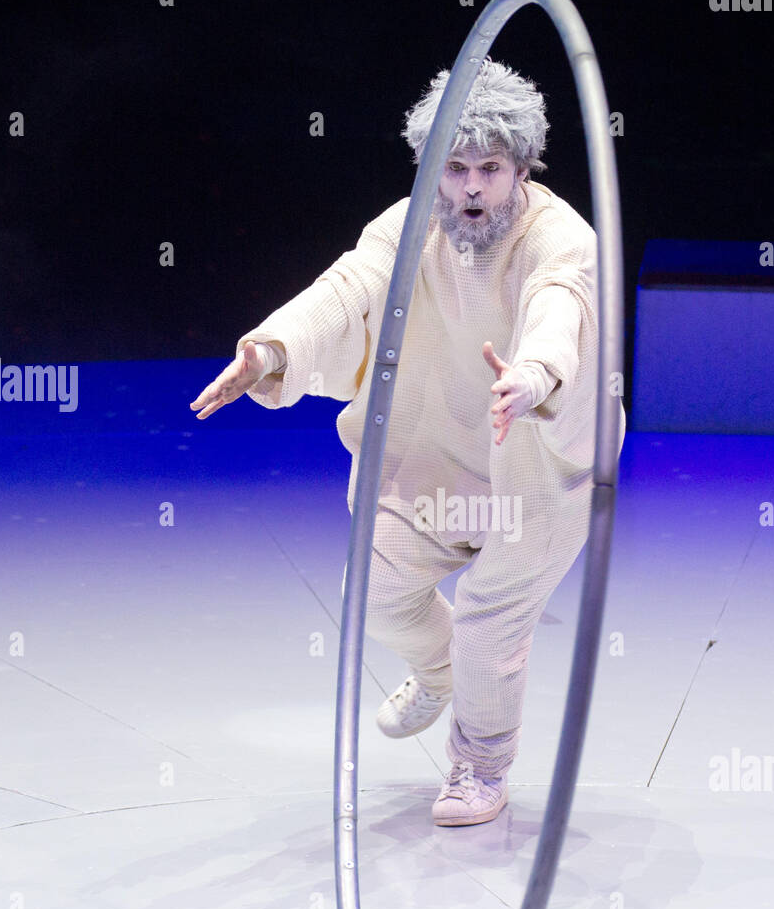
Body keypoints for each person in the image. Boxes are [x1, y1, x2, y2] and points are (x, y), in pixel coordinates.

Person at [189, 57, 625, 827]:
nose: (471, 188)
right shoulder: (412, 220)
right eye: (454, 168)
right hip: (434, 453)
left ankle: (479, 768)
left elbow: (564, 306)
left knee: (491, 622)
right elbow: (349, 288)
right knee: (378, 595)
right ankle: (436, 668)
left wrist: (533, 376)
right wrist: (271, 351)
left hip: (534, 463)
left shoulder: (562, 238)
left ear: (523, 165)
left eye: (490, 168)